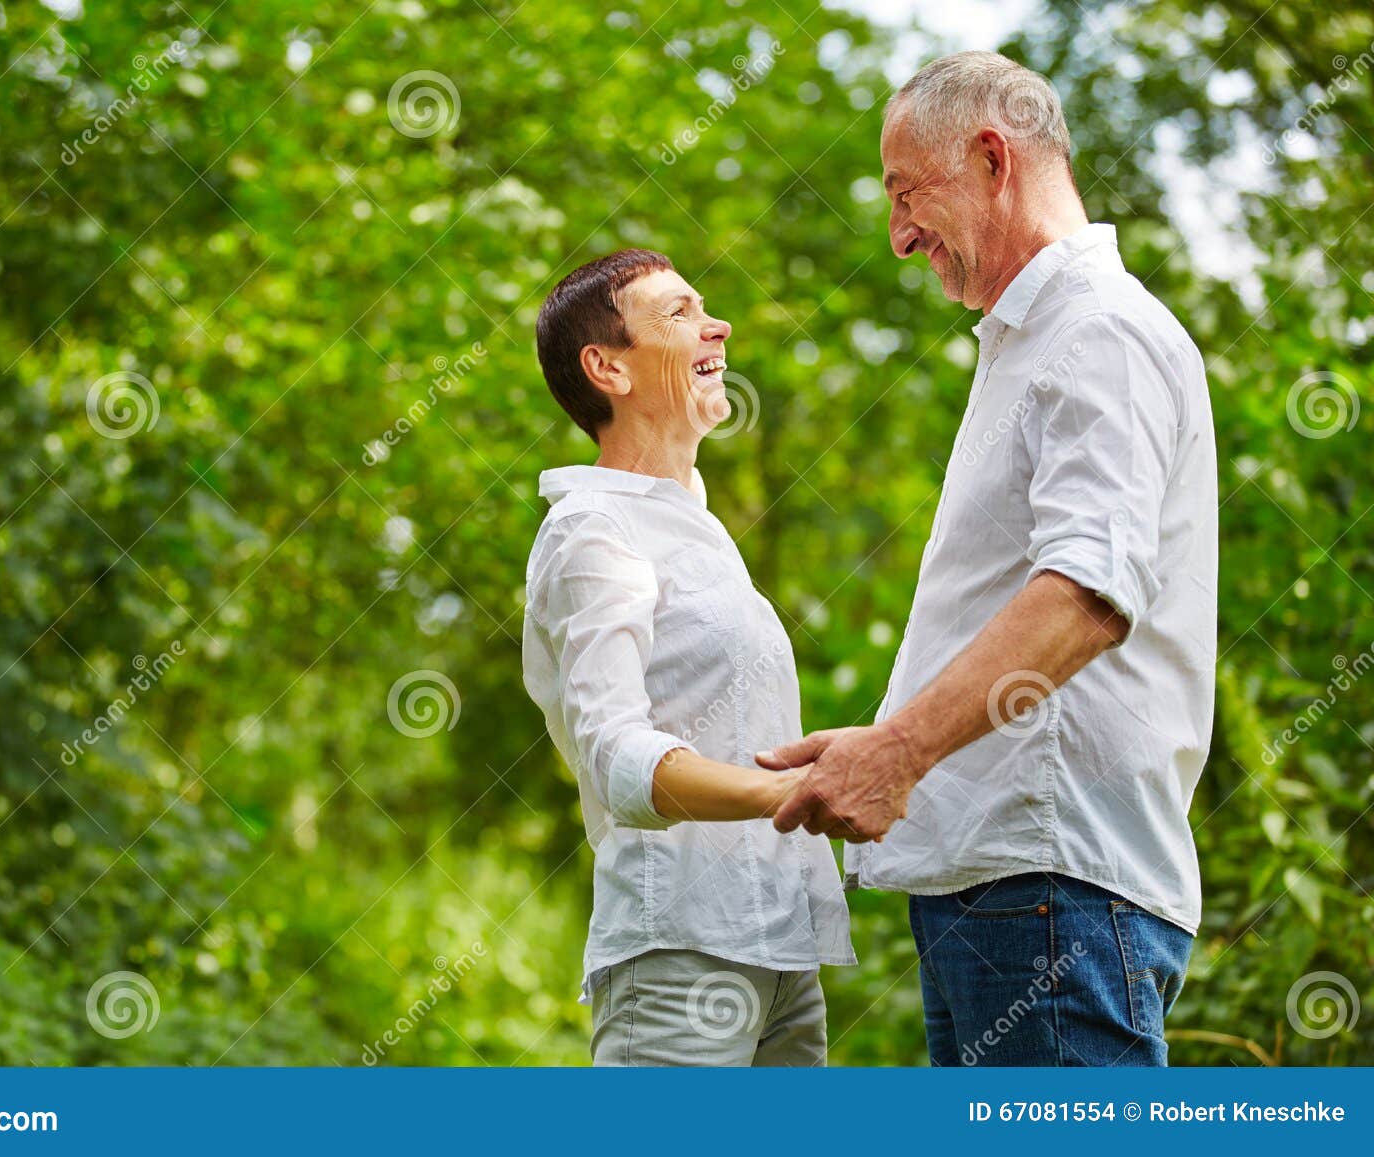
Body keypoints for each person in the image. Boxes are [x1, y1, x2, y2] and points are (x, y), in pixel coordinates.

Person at [758, 51, 1218, 1066]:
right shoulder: (1032, 341)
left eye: (904, 192)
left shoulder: (1099, 333)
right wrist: (887, 739)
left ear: (992, 160)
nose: (897, 234)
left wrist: (897, 750)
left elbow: (1087, 593)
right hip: (1006, 889)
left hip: (1051, 888)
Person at [522, 249, 855, 1066]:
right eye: (679, 313)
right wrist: (789, 792)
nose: (718, 326)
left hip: (782, 955)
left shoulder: (694, 528)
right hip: (677, 955)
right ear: (608, 368)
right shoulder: (593, 530)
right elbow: (614, 751)